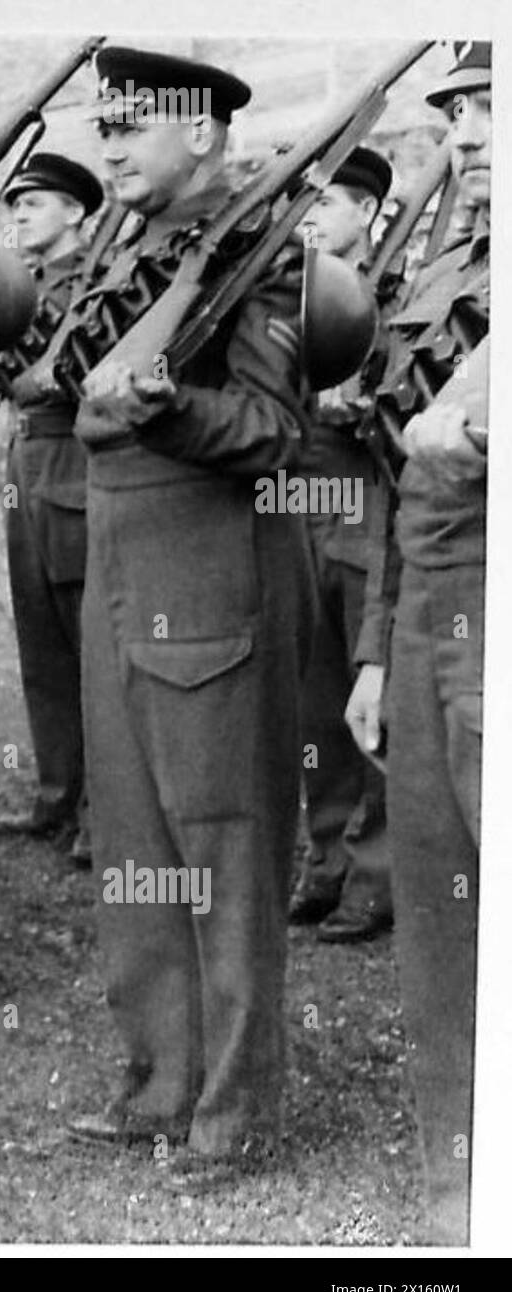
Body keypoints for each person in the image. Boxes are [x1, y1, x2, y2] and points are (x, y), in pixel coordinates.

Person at [60, 48, 314, 1189]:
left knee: (219, 838)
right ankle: (161, 1078)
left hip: (207, 557)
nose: (109, 143)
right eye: (101, 124)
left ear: (204, 133)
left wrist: (168, 413)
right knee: (136, 837)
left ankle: (236, 1107)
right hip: (116, 547)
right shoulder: (126, 244)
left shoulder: (264, 248)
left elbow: (268, 429)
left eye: (134, 125)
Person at [345, 41, 490, 1244]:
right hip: (430, 594)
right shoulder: (454, 264)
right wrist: (379, 648)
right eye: (459, 113)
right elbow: (401, 463)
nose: (473, 132)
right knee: (443, 911)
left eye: (496, 106)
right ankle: (461, 1183)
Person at [288, 147, 394, 943]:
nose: (313, 215)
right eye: (308, 201)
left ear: (369, 214)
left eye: (329, 201)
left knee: (371, 699)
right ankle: (325, 859)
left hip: (363, 509)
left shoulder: (396, 296)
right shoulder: (293, 298)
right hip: (299, 509)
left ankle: (374, 876)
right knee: (315, 701)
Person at [0, 152, 105, 867]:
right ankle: (58, 793)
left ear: (75, 212)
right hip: (24, 467)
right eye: (16, 205)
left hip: (73, 465)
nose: (20, 214)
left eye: (36, 203)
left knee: (89, 646)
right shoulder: (14, 288)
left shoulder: (98, 284)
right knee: (41, 646)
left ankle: (104, 808)